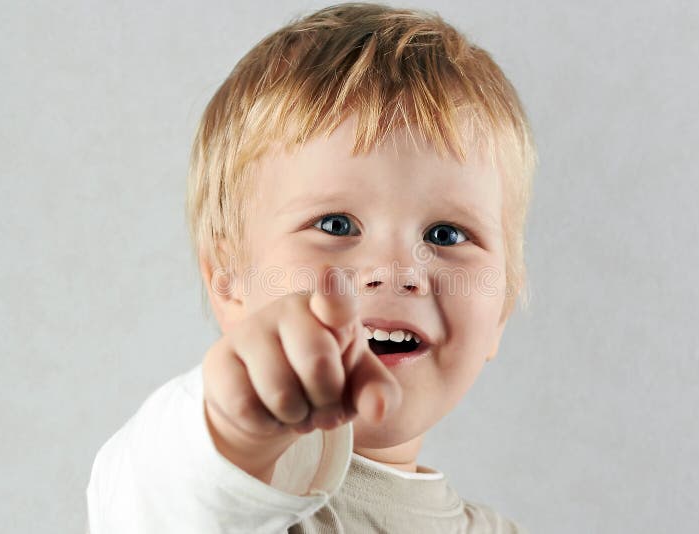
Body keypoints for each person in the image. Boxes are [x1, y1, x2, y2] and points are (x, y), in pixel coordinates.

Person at [86, 3, 537, 532]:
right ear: (228, 283)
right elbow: (159, 497)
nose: (395, 270)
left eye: (446, 235)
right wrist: (230, 431)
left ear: (502, 308)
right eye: (336, 225)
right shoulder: (234, 494)